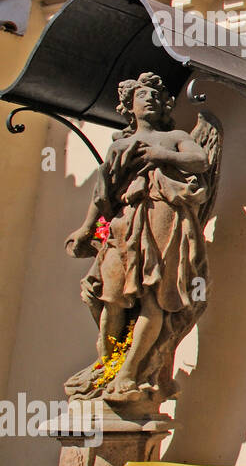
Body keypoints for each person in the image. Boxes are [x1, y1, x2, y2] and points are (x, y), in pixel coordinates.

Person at [64, 72, 220, 407]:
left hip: (165, 214)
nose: (148, 99)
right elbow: (101, 194)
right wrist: (86, 229)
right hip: (125, 221)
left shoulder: (175, 137)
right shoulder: (119, 145)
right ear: (128, 106)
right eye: (140, 95)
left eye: (154, 95)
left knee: (156, 296)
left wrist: (159, 156)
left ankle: (130, 371)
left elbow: (201, 160)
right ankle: (109, 363)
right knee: (109, 295)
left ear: (164, 105)